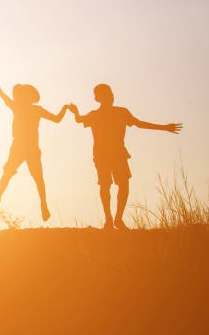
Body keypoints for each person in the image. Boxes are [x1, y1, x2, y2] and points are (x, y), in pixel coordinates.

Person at [69, 84, 181, 230]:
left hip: (118, 154)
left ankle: (117, 219)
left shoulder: (121, 112)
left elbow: (139, 123)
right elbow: (79, 119)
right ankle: (109, 220)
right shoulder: (94, 115)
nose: (111, 96)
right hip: (102, 155)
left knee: (123, 184)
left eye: (111, 93)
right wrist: (75, 112)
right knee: (105, 185)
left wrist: (164, 127)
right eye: (107, 94)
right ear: (98, 98)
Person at [0, 74, 69, 221]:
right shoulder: (19, 107)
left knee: (35, 177)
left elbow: (57, 119)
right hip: (19, 147)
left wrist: (65, 108)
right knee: (12, 174)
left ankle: (43, 205)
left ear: (29, 97)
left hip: (28, 147)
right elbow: (1, 93)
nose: (20, 97)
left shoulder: (33, 109)